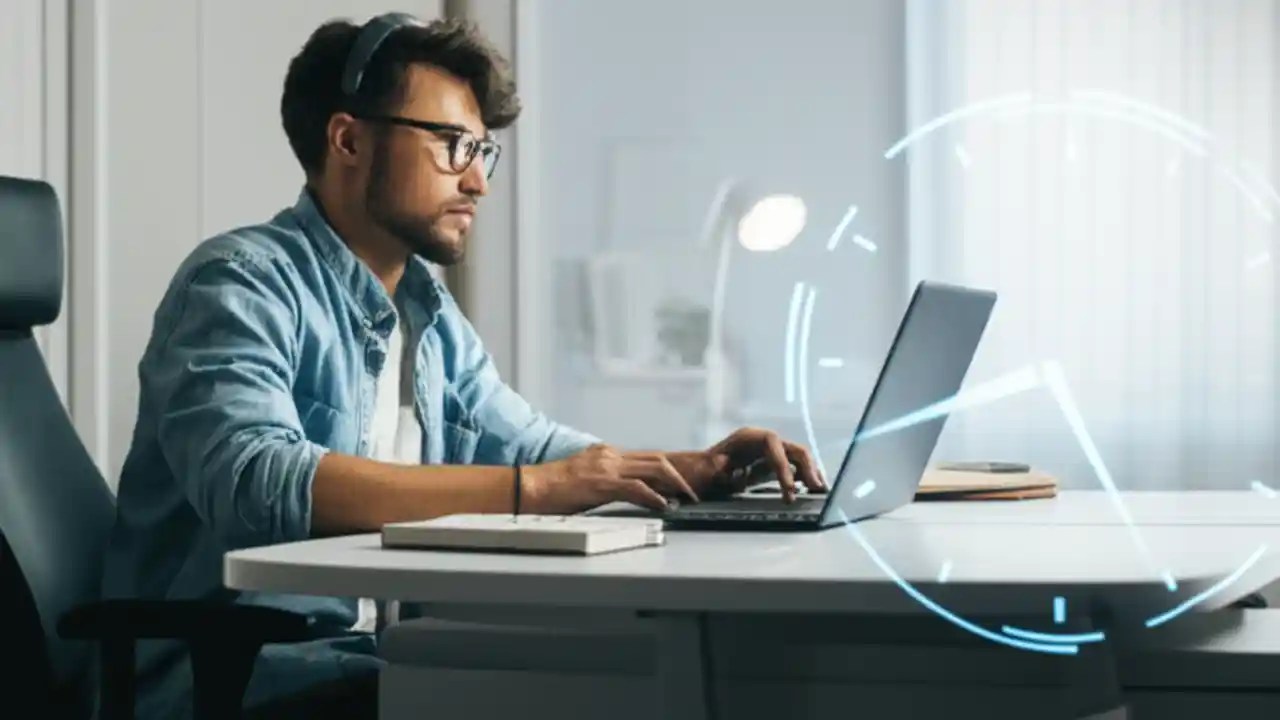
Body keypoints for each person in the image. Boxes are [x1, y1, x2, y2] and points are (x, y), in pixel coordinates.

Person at [101, 13, 825, 720]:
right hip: (234, 680)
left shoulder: (430, 314)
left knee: (656, 677)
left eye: (484, 152)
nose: (477, 182)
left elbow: (533, 449)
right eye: (453, 145)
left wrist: (694, 469)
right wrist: (536, 490)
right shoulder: (240, 280)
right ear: (348, 138)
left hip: (369, 656)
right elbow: (254, 480)